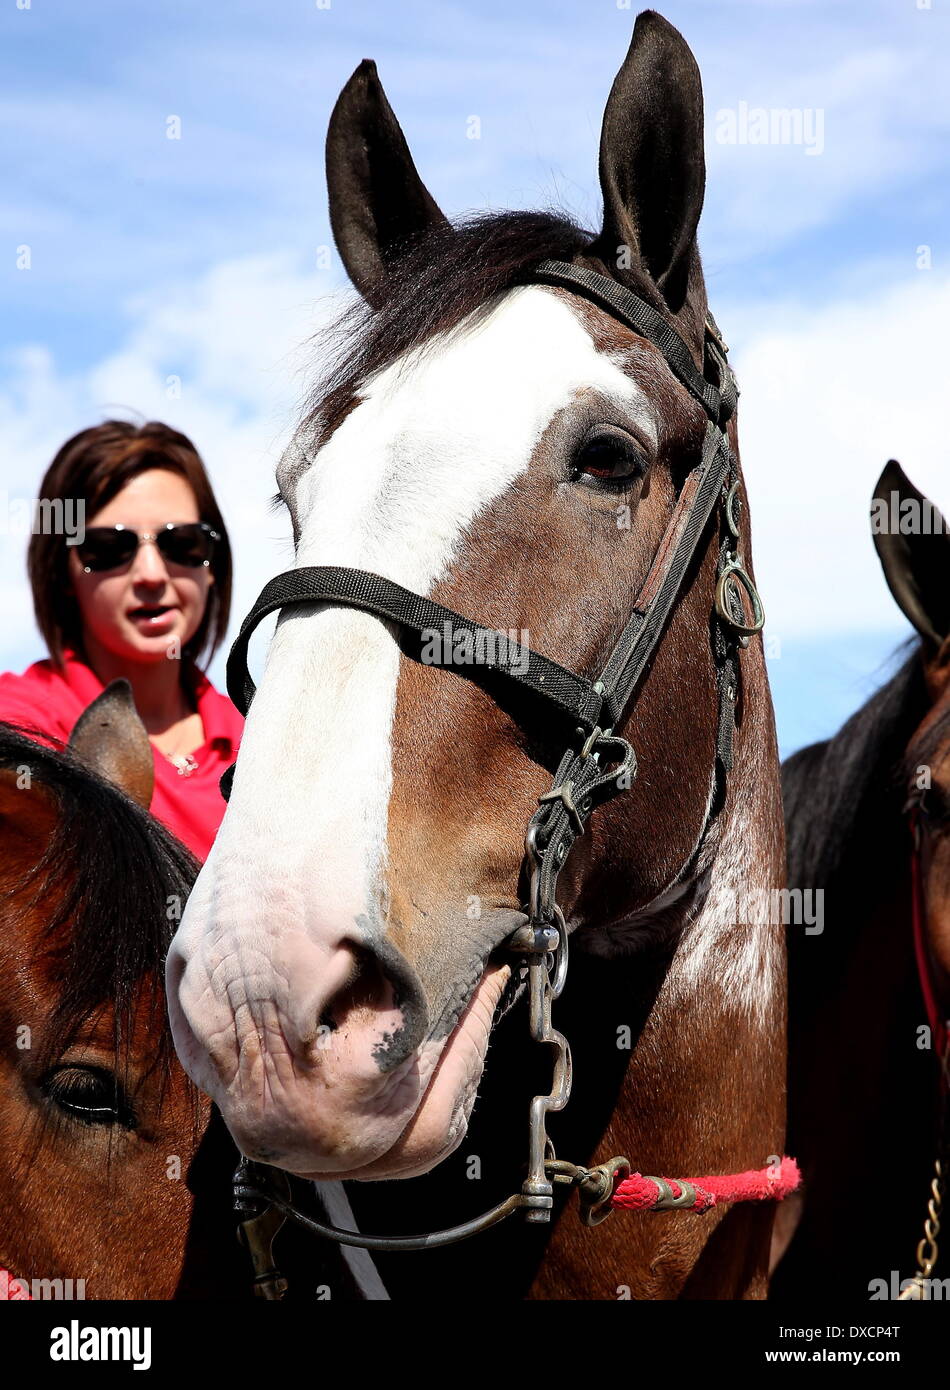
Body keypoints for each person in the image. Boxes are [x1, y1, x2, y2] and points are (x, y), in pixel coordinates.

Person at [0, 420, 241, 861]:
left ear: (212, 566)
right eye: (108, 549)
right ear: (63, 571)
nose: (151, 573)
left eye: (182, 543)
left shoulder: (267, 743)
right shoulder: (12, 727)